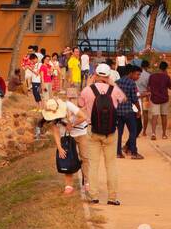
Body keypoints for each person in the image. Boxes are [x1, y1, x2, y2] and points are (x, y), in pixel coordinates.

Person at [78, 64, 125, 205]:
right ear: (108, 75)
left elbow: (80, 104)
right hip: (111, 131)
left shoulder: (87, 90)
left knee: (93, 165)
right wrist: (112, 84)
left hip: (93, 130)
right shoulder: (114, 90)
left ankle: (94, 196)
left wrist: (88, 84)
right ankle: (112, 197)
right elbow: (123, 100)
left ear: (96, 75)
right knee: (111, 165)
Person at [43, 95, 91, 196]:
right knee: (66, 158)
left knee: (85, 157)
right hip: (66, 136)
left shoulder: (68, 106)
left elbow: (84, 117)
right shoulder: (51, 117)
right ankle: (69, 185)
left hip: (81, 133)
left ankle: (87, 181)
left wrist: (72, 124)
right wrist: (59, 148)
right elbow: (56, 132)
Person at [116, 63, 143, 160]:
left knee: (119, 133)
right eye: (137, 74)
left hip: (118, 111)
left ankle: (118, 152)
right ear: (130, 73)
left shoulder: (117, 82)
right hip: (128, 111)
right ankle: (134, 153)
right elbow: (134, 99)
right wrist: (139, 110)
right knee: (133, 131)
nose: (138, 76)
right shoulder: (131, 83)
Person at [146, 60, 171, 141]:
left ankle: (153, 133)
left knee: (155, 116)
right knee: (164, 116)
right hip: (164, 98)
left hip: (154, 98)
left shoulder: (152, 76)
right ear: (166, 69)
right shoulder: (167, 77)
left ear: (159, 67)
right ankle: (164, 134)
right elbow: (170, 87)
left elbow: (148, 87)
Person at [137, 59, 151, 135]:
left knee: (137, 112)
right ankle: (144, 131)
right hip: (145, 95)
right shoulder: (148, 75)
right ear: (147, 67)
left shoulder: (136, 74)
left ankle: (137, 130)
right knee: (145, 113)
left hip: (137, 95)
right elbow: (149, 87)